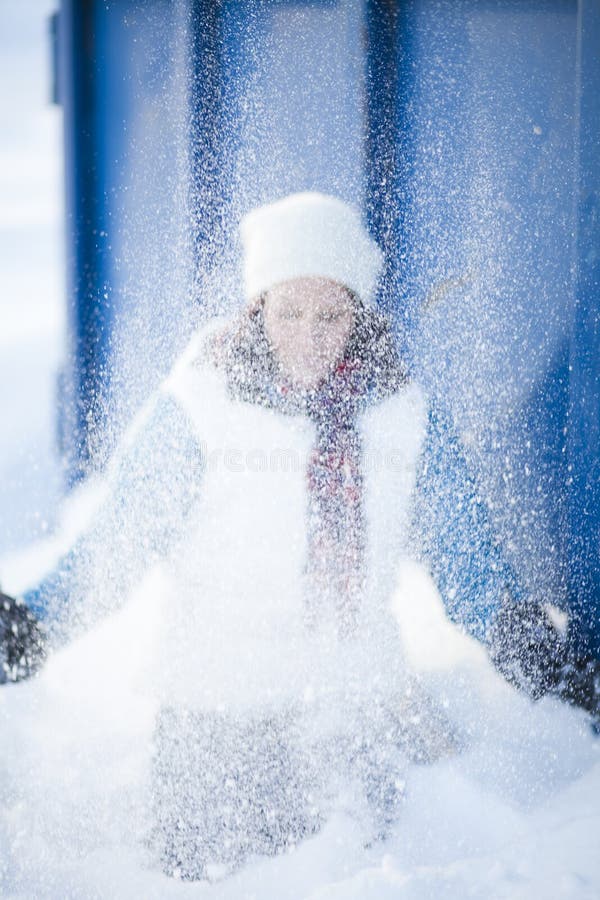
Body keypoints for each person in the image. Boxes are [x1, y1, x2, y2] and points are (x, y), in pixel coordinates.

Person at [0, 192, 597, 878]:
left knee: (352, 873)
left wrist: (533, 651)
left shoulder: (404, 415)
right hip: (212, 710)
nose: (310, 335)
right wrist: (30, 627)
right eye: (288, 313)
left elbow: (469, 563)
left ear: (360, 317)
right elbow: (114, 549)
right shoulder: (198, 409)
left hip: (350, 704)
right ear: (257, 310)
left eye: (331, 315)